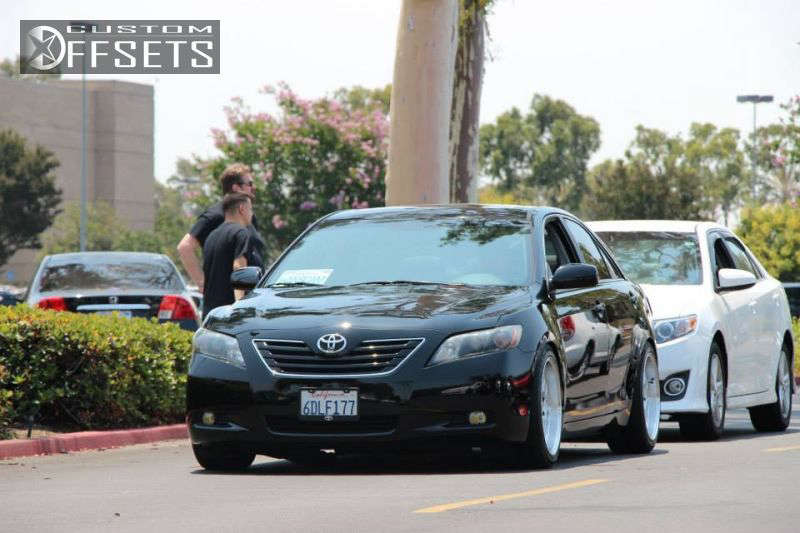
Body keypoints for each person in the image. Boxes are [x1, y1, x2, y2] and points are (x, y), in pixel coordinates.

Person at [177, 163, 265, 292]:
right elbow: (185, 247)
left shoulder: (248, 216)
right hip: (228, 300)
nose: (253, 188)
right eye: (250, 184)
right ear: (236, 188)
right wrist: (202, 284)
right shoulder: (216, 215)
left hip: (253, 295)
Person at [201, 193, 254, 317]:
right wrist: (239, 307)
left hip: (210, 314)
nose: (252, 214)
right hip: (229, 314)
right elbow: (239, 269)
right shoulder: (241, 233)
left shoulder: (211, 236)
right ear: (242, 209)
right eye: (251, 209)